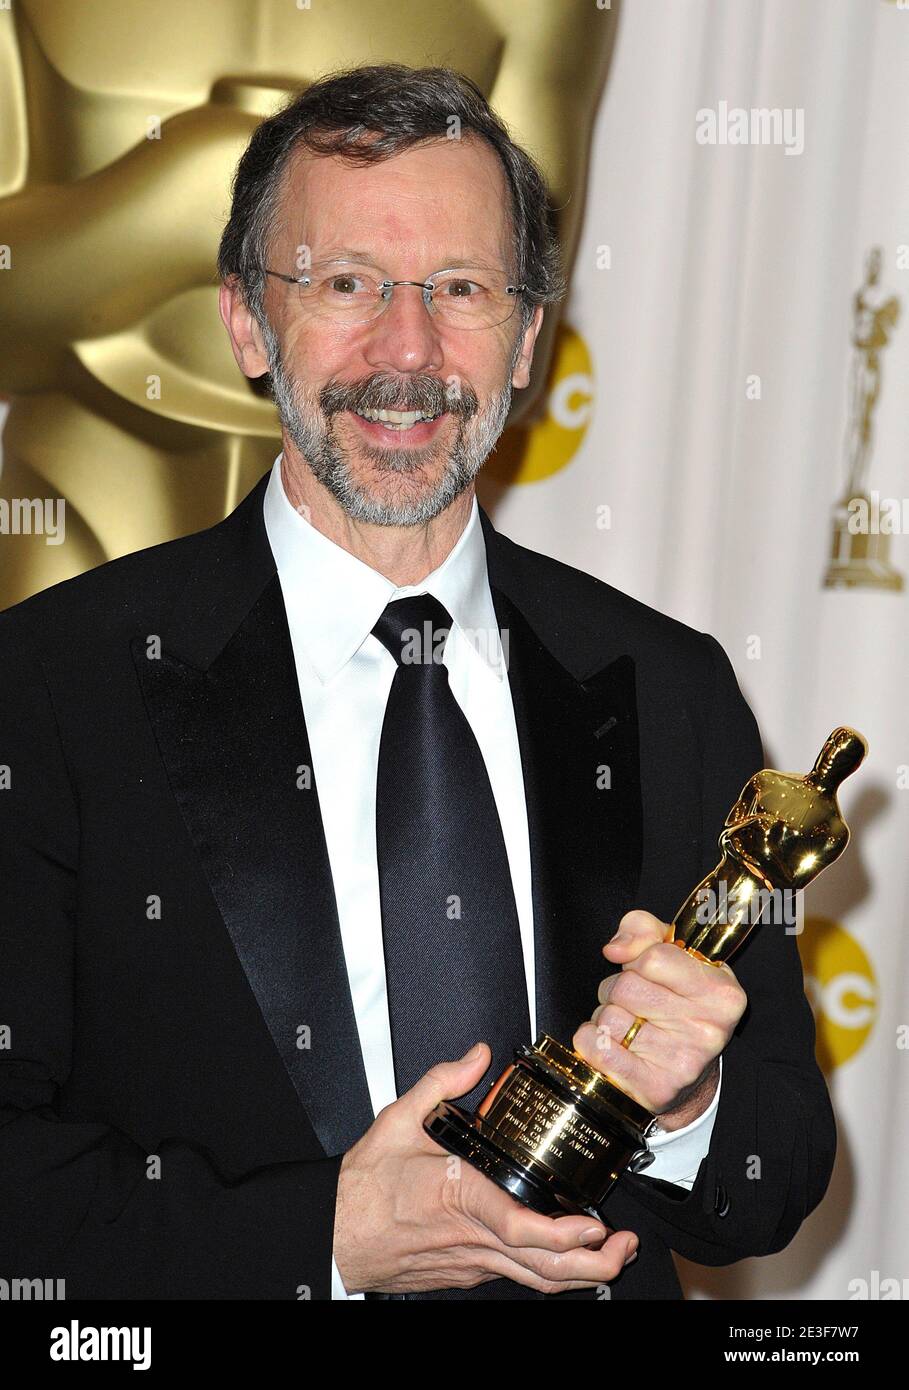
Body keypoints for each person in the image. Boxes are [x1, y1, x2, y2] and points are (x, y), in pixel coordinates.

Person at [0, 65, 835, 1301]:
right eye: (346, 285)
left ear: (527, 342)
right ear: (244, 322)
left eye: (461, 289)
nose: (409, 350)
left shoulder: (668, 681)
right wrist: (323, 1242)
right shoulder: (50, 688)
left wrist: (688, 1101)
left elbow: (777, 1172)